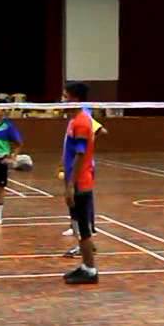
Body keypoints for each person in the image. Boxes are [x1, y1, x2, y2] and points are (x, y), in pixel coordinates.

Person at [61, 82, 100, 285]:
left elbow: (80, 155)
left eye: (65, 96)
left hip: (81, 183)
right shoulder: (73, 120)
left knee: (84, 229)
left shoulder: (82, 122)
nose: (62, 100)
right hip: (74, 180)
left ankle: (91, 270)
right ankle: (85, 266)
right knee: (78, 226)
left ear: (74, 99)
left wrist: (70, 186)